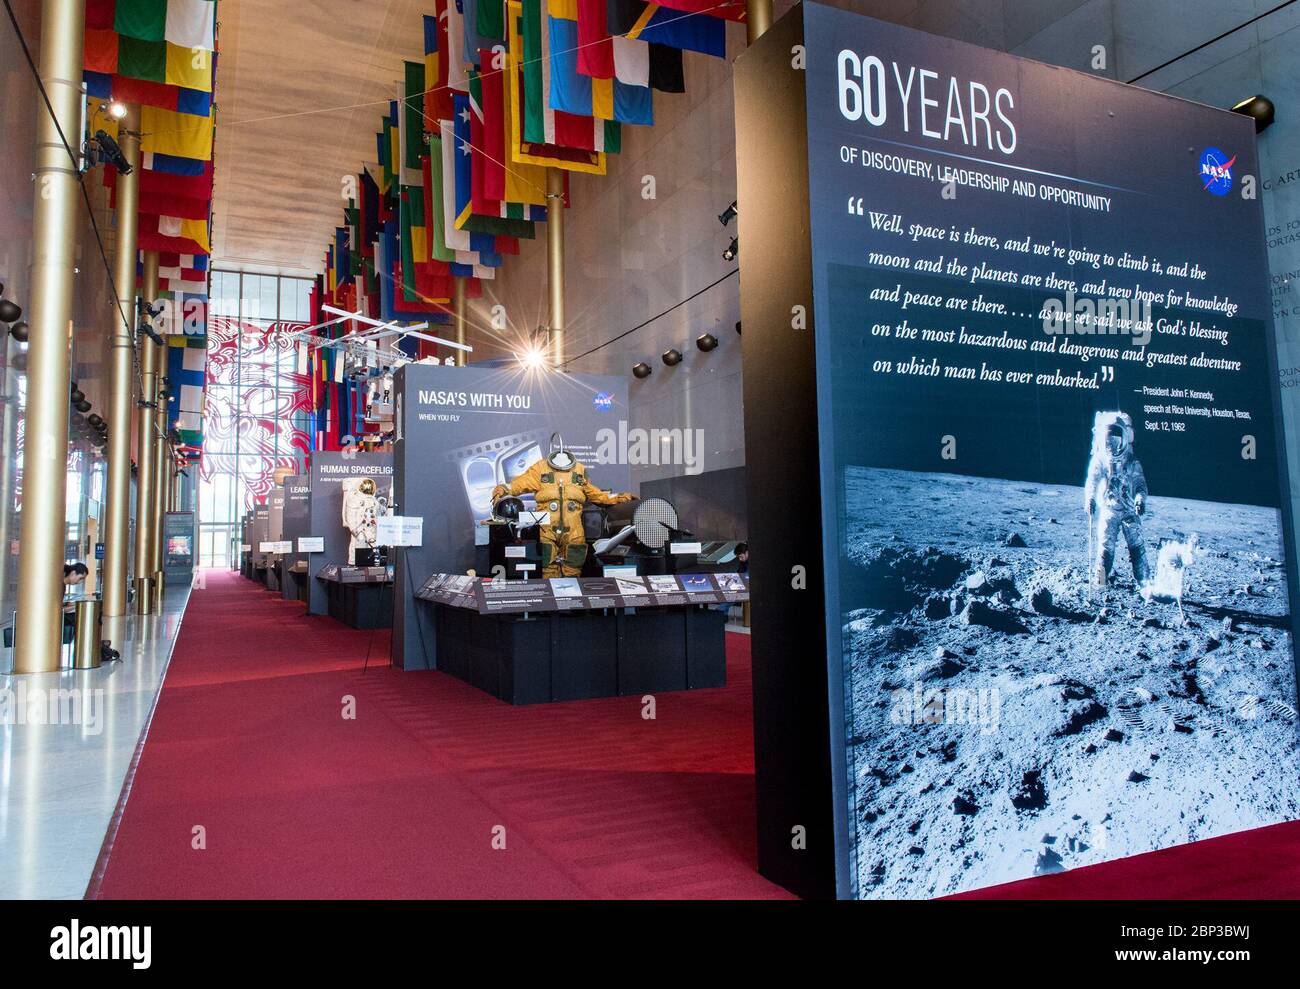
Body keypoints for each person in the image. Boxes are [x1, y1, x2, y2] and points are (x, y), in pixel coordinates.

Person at [491, 432, 635, 577]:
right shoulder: (540, 468)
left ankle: (572, 597)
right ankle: (550, 596)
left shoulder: (579, 470)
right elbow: (519, 484)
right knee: (547, 568)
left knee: (573, 568)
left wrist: (621, 498)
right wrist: (503, 489)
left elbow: (596, 494)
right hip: (546, 529)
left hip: (574, 530)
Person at [1084, 411, 1150, 589]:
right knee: (1106, 548)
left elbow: (1140, 485)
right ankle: (1100, 581)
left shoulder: (1131, 461)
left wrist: (1139, 500)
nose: (1112, 442)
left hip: (1129, 509)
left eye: (1116, 436)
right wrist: (1089, 498)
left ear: (1124, 437)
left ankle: (1144, 582)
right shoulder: (1100, 460)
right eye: (1109, 437)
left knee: (1137, 546)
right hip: (1109, 509)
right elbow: (1093, 481)